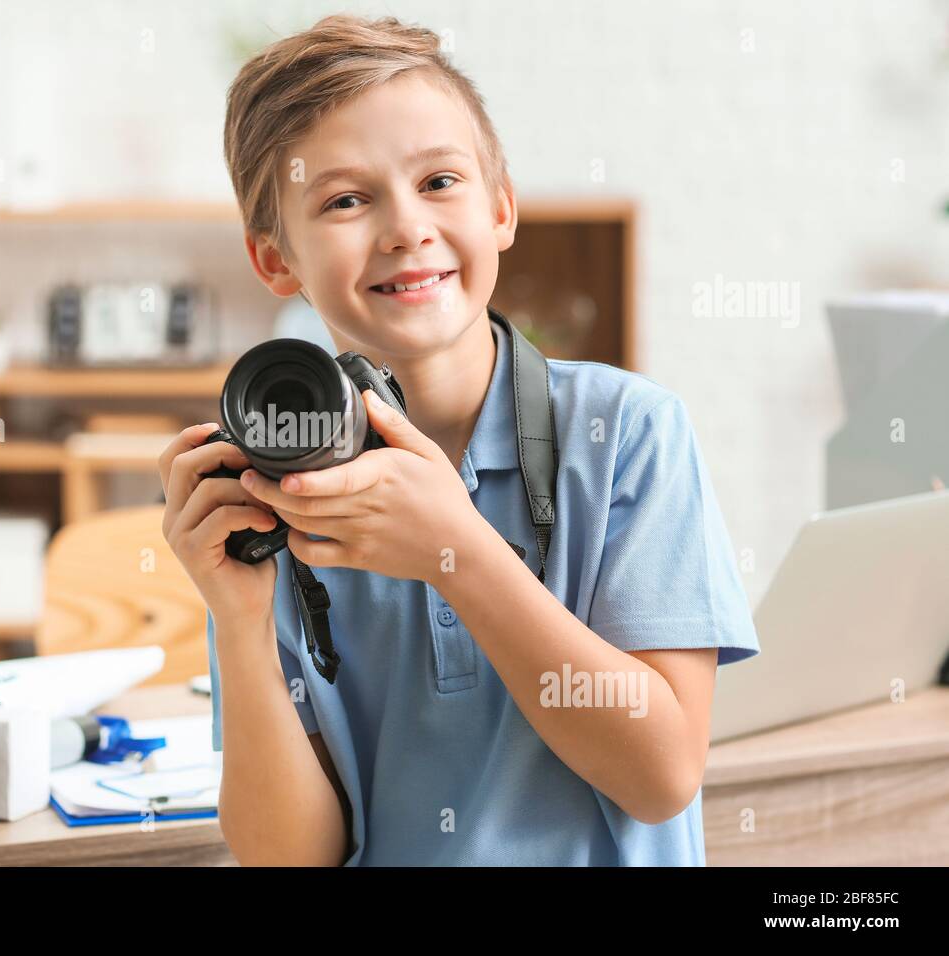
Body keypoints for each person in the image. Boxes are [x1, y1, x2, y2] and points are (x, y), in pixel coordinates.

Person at [157, 14, 759, 865]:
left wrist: (456, 550)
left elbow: (661, 775)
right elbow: (290, 858)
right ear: (274, 260)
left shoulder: (628, 434)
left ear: (501, 207)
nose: (406, 227)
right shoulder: (277, 484)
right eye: (344, 200)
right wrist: (238, 622)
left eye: (439, 180)